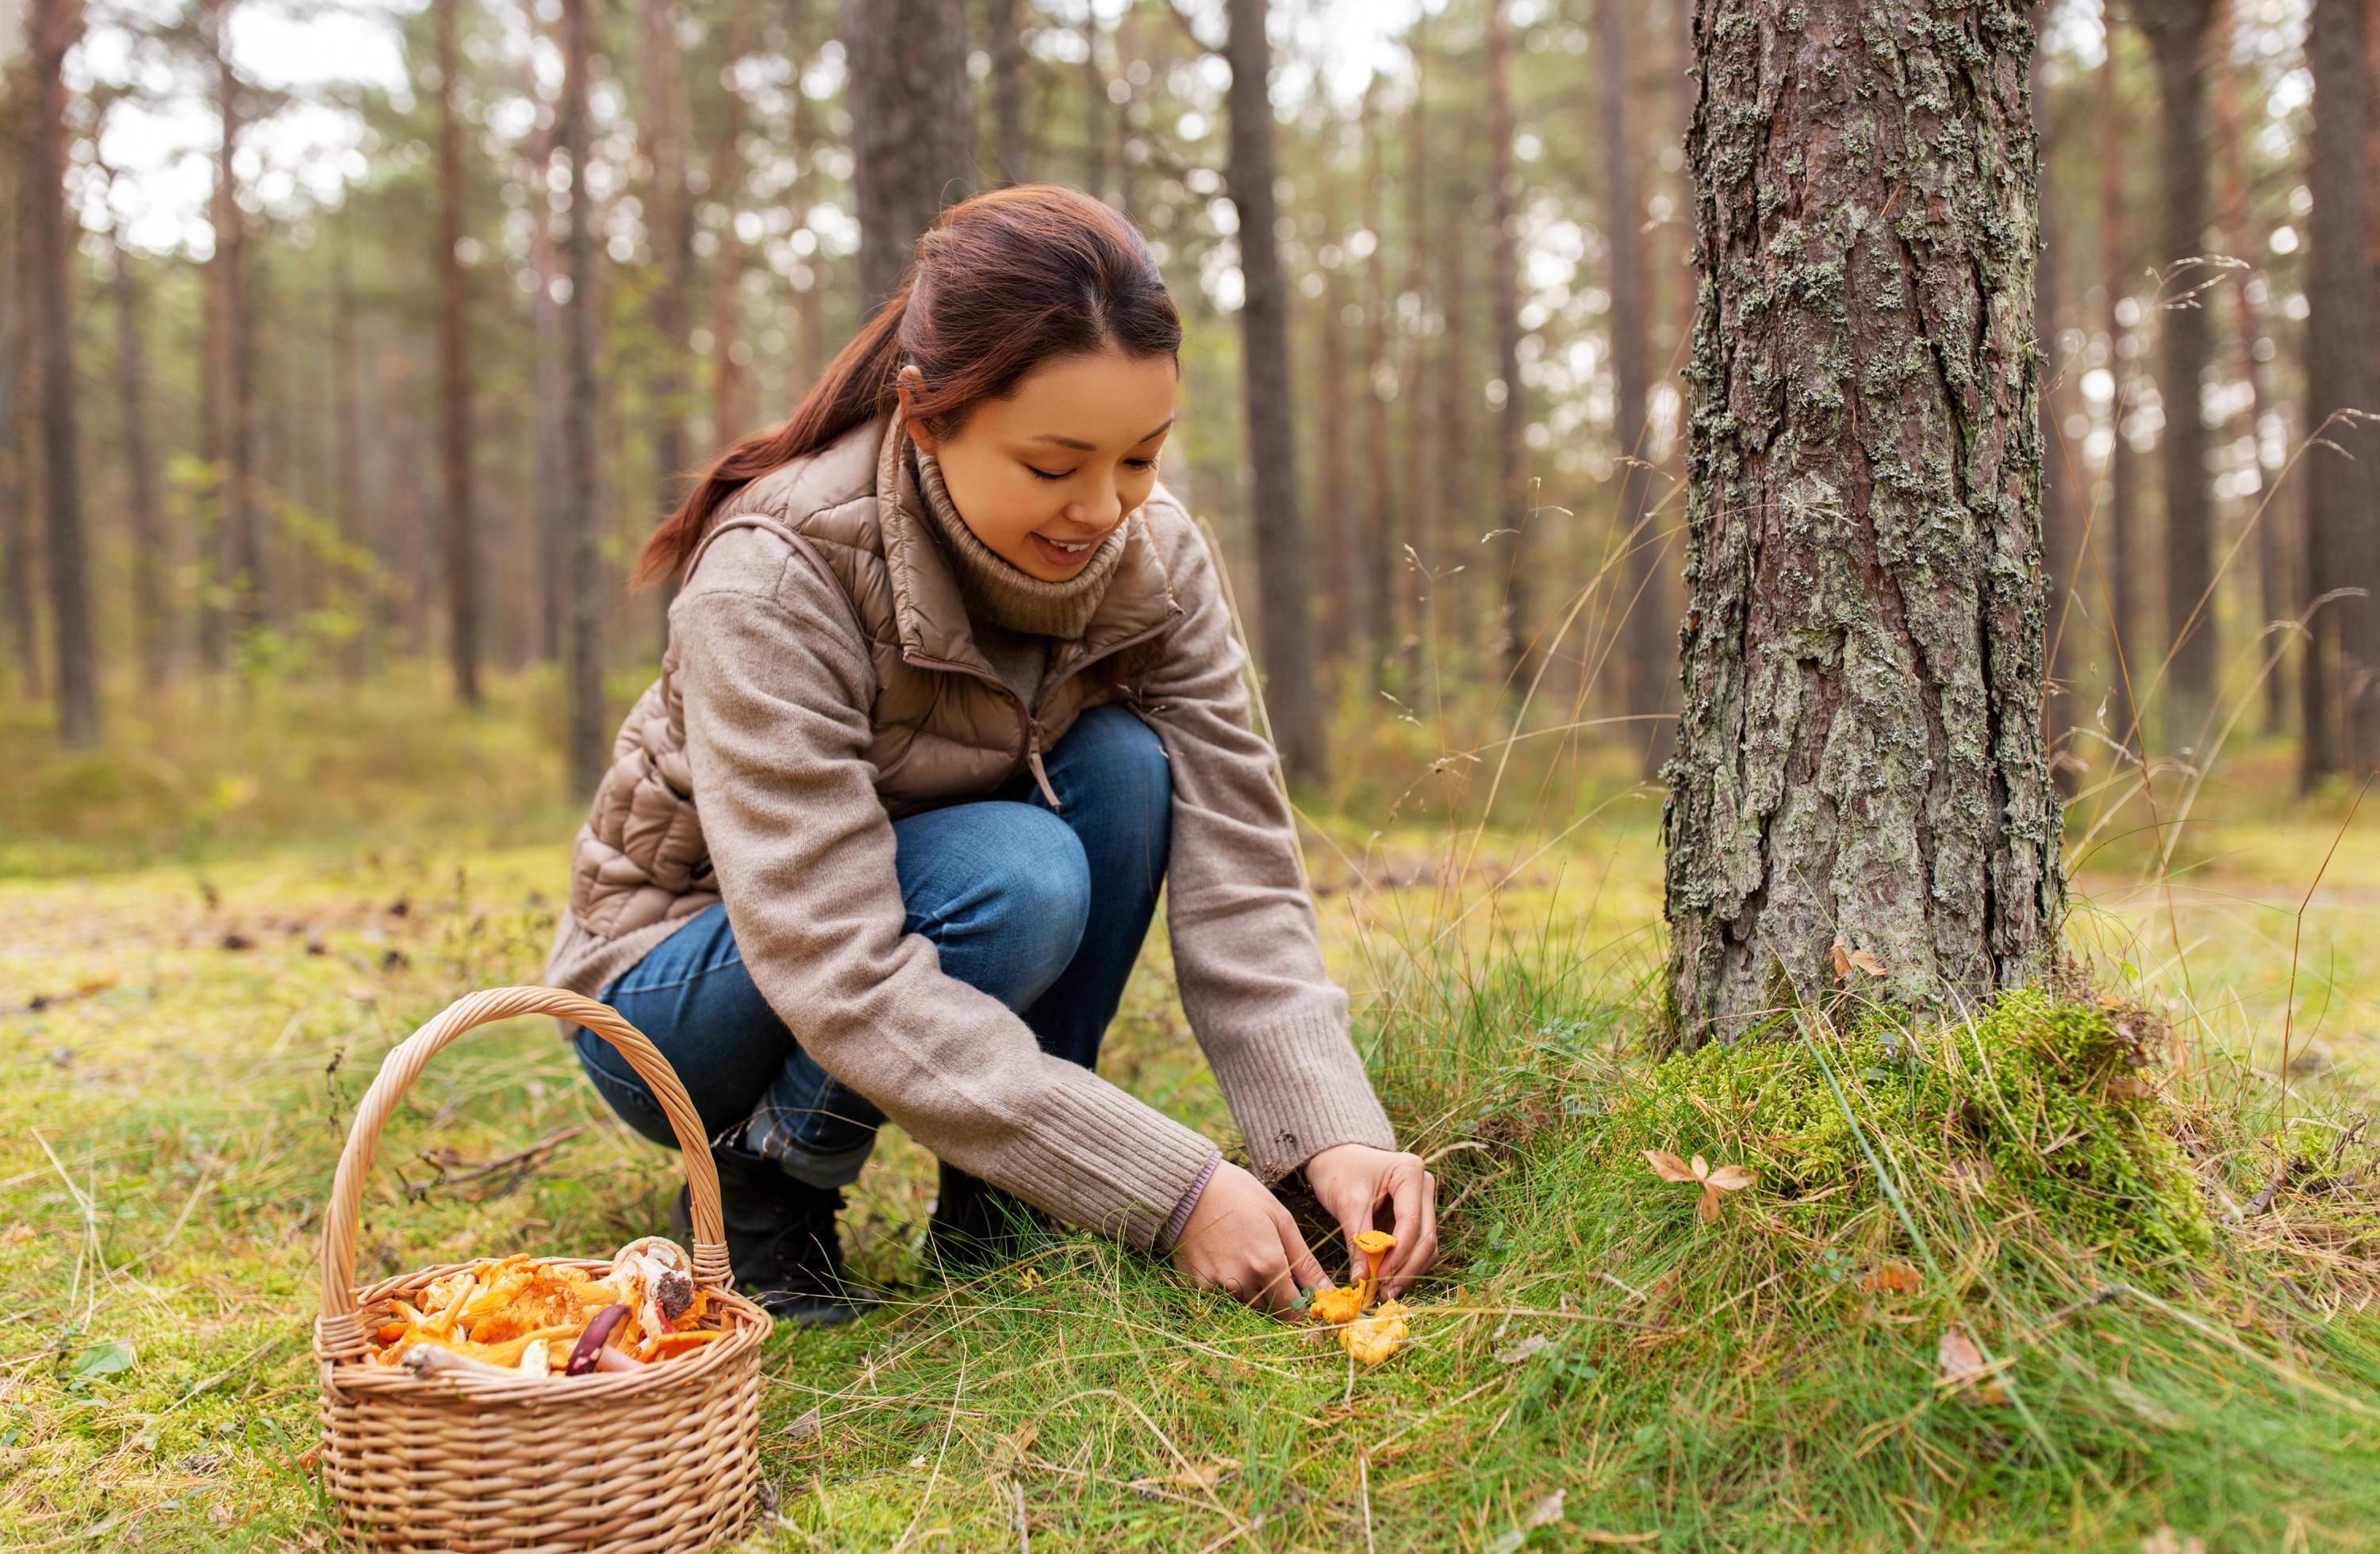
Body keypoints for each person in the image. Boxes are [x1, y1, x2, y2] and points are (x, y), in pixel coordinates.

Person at [541, 183, 1438, 1326]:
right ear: (925, 413)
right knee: (1019, 873)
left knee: (1124, 767)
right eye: (1053, 465)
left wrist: (1332, 1131)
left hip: (915, 909)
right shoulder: (775, 572)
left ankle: (1002, 1214)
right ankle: (764, 1202)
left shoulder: (1152, 555)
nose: (1102, 509)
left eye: (1139, 459)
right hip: (674, 995)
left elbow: (1244, 865)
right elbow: (839, 963)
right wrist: (1170, 1191)